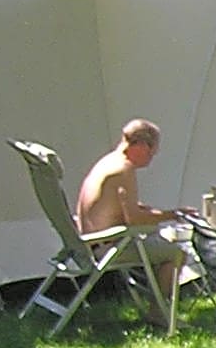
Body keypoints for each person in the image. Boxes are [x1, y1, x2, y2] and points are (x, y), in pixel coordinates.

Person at [76, 117, 193, 326]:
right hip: (108, 246)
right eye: (151, 152)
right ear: (141, 145)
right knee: (176, 254)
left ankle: (158, 303)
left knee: (158, 240)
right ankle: (158, 312)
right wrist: (173, 215)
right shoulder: (124, 169)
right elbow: (134, 219)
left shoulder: (109, 161)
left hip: (88, 242)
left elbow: (118, 205)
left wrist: (152, 212)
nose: (150, 159)